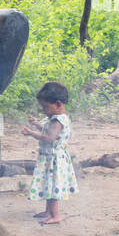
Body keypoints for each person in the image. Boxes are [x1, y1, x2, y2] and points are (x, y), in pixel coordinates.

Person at [22, 81, 77, 225]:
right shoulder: (54, 119)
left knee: (52, 188)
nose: (43, 111)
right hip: (51, 158)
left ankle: (55, 215)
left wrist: (31, 133)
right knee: (49, 185)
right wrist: (36, 124)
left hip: (54, 159)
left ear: (58, 104)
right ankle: (48, 211)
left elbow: (49, 138)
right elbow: (47, 129)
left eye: (46, 107)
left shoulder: (58, 121)